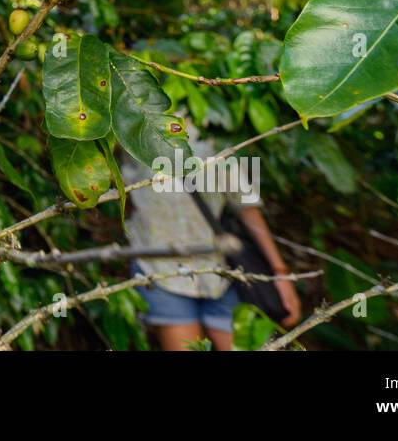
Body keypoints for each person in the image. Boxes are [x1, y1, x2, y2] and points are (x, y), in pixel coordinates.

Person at [123, 139, 302, 350]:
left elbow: (246, 206)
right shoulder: (129, 124)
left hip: (219, 273)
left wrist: (280, 273)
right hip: (160, 271)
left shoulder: (214, 133)